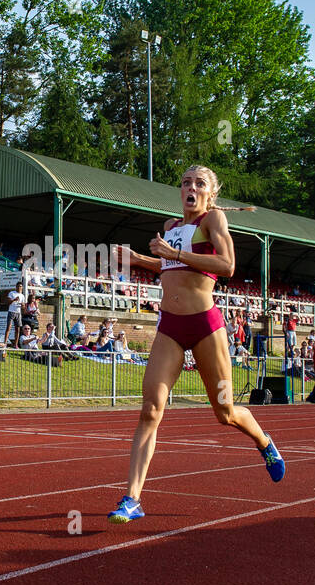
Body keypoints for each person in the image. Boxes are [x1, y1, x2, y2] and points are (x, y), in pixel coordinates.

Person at [105, 164, 283, 524]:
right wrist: (139, 259)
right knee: (150, 409)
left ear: (210, 194)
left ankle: (264, 442)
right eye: (186, 182)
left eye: (199, 183)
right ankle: (132, 499)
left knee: (225, 412)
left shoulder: (214, 219)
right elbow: (170, 268)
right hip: (170, 327)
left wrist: (175, 254)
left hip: (205, 327)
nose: (191, 187)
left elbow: (227, 264)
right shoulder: (171, 227)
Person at [3, 281, 25, 347]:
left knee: (17, 329)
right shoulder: (12, 293)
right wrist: (14, 300)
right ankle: (5, 343)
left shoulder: (22, 296)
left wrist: (23, 305)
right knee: (8, 328)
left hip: (18, 312)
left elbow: (23, 307)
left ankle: (15, 344)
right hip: (11, 311)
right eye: (18, 286)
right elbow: (7, 302)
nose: (19, 287)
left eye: (20, 286)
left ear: (22, 287)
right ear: (16, 287)